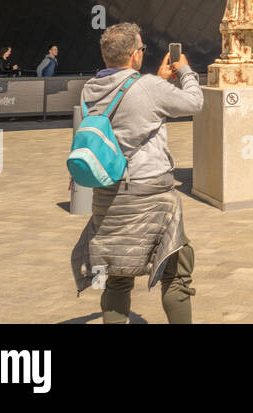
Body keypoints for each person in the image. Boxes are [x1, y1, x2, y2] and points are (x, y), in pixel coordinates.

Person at [70, 22, 202, 324]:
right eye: (141, 48)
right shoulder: (148, 88)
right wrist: (185, 72)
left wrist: (156, 81)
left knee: (117, 274)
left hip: (108, 194)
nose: (143, 52)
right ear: (133, 55)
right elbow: (194, 102)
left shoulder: (90, 89)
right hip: (152, 194)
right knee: (176, 270)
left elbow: (130, 108)